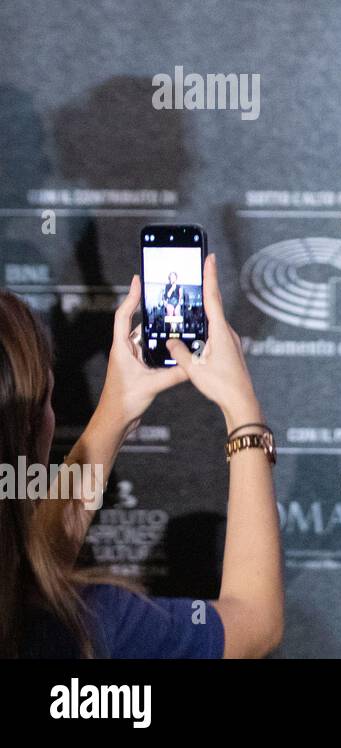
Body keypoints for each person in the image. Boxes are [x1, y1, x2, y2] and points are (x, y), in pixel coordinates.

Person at [1, 252, 283, 658]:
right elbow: (255, 621)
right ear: (35, 425)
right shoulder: (91, 625)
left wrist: (115, 412)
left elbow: (24, 576)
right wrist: (243, 414)